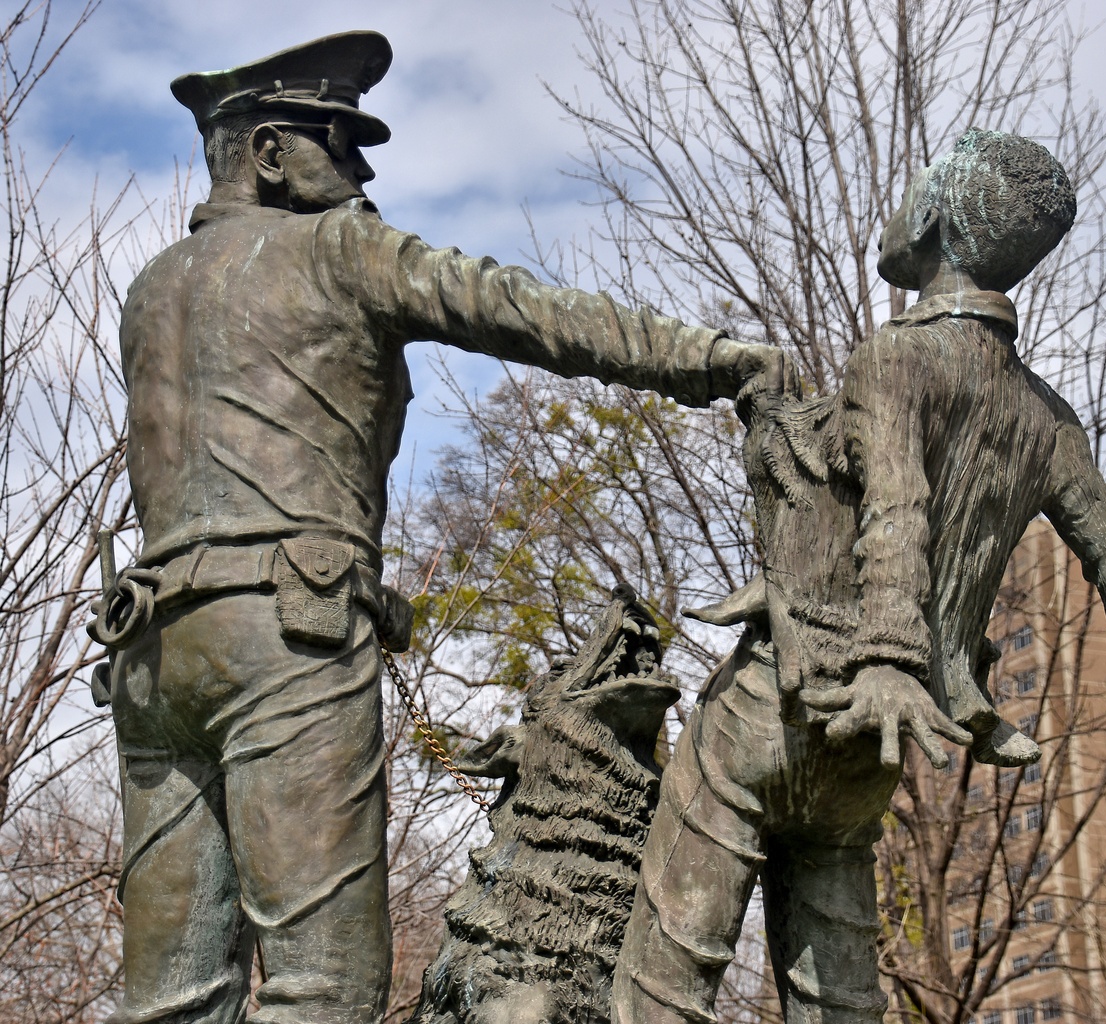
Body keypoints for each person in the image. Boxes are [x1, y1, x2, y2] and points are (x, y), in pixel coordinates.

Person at [98, 31, 786, 1024]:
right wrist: (713, 359)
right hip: (284, 635)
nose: (363, 171)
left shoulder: (153, 288)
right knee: (322, 985)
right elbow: (523, 309)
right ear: (270, 153)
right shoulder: (339, 250)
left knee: (169, 1004)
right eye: (340, 141)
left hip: (152, 653)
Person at [611, 129, 1106, 1024]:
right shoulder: (1050, 421)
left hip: (784, 709)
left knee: (661, 987)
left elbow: (899, 509)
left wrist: (884, 656)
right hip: (867, 756)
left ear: (935, 218)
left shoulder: (895, 357)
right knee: (840, 1008)